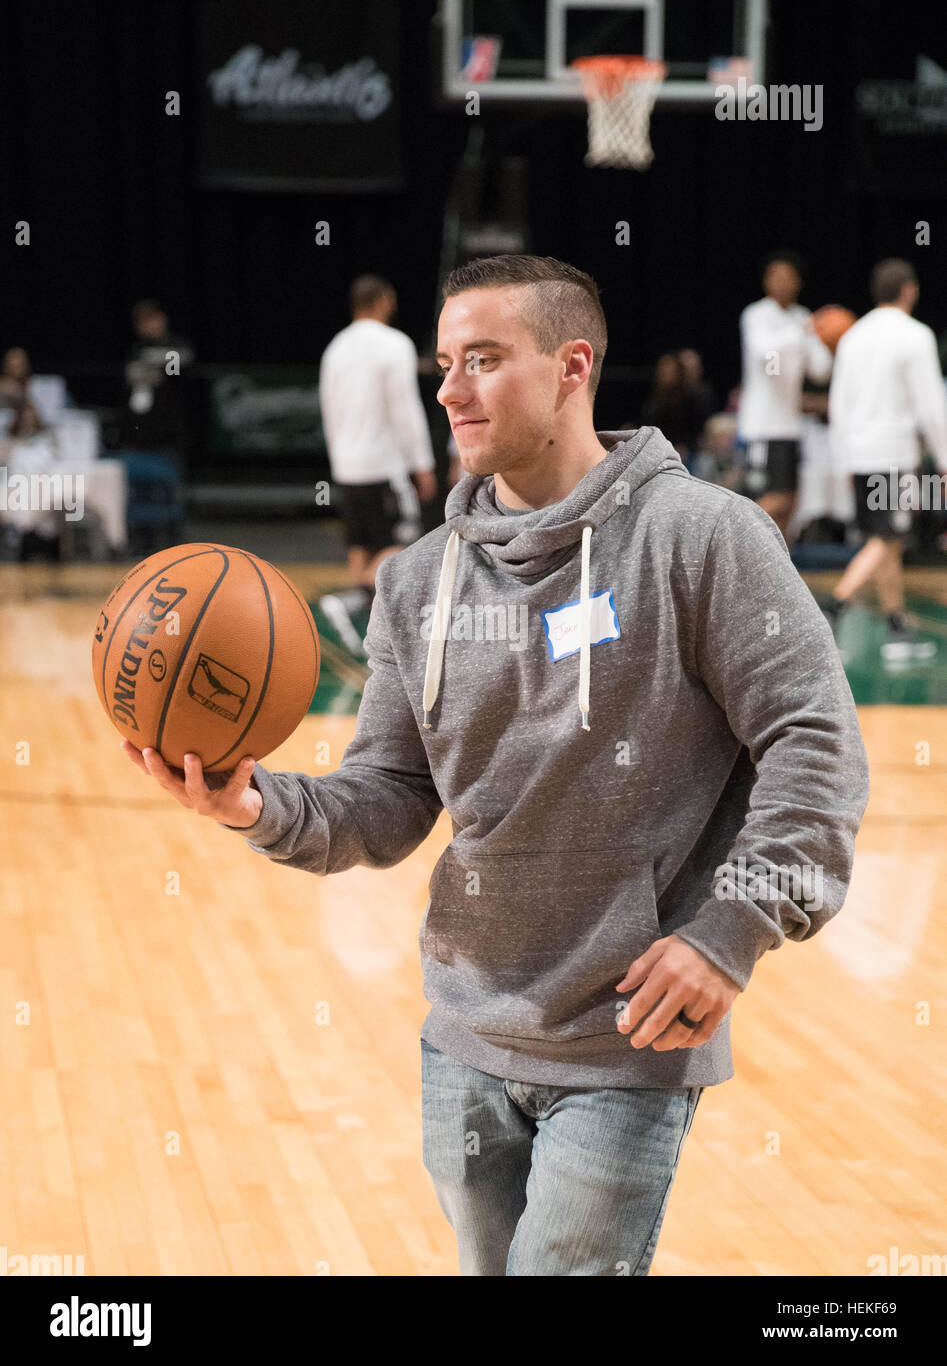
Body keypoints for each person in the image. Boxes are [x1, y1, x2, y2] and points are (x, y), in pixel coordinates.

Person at [121, 253, 870, 1277]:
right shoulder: (419, 579)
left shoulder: (700, 538)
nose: (447, 389)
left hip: (627, 1045)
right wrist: (252, 801)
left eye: (481, 358)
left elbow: (815, 743)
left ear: (572, 367)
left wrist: (727, 930)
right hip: (464, 1040)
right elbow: (384, 799)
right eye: (442, 362)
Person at [824, 259, 947, 661]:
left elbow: (837, 403)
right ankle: (834, 608)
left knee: (888, 541)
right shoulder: (916, 336)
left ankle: (896, 625)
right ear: (908, 290)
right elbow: (931, 407)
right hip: (892, 453)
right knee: (886, 538)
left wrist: (842, 458)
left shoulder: (853, 336)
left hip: (859, 453)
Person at [318, 275, 436, 655]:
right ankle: (349, 603)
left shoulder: (335, 348)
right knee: (400, 545)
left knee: (360, 543)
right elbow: (404, 408)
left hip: (347, 467)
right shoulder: (394, 344)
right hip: (385, 465)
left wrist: (338, 459)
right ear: (384, 302)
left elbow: (328, 408)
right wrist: (422, 463)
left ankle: (369, 633)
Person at [738, 252, 834, 539]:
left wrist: (822, 336)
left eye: (788, 278)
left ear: (798, 282)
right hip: (763, 428)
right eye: (775, 277)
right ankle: (734, 549)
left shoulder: (803, 317)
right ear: (766, 281)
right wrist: (801, 333)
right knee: (767, 502)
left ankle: (775, 572)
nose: (782, 283)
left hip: (791, 428)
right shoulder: (756, 315)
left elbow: (821, 370)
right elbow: (767, 359)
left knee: (790, 504)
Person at [125, 300, 195, 464]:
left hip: (169, 427)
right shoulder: (136, 349)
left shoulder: (177, 345)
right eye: (140, 322)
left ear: (162, 319)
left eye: (149, 319)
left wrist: (156, 363)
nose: (145, 326)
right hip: (141, 428)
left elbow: (174, 373)